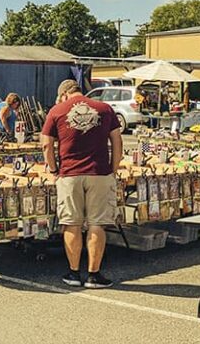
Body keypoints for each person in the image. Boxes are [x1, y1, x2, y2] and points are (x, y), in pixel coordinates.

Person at [41, 79, 123, 289]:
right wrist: (113, 168)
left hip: (69, 174)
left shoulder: (56, 111)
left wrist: (53, 170)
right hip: (99, 172)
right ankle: (94, 275)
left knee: (72, 223)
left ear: (64, 94)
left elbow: (46, 144)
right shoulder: (105, 109)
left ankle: (74, 273)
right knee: (97, 223)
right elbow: (117, 141)